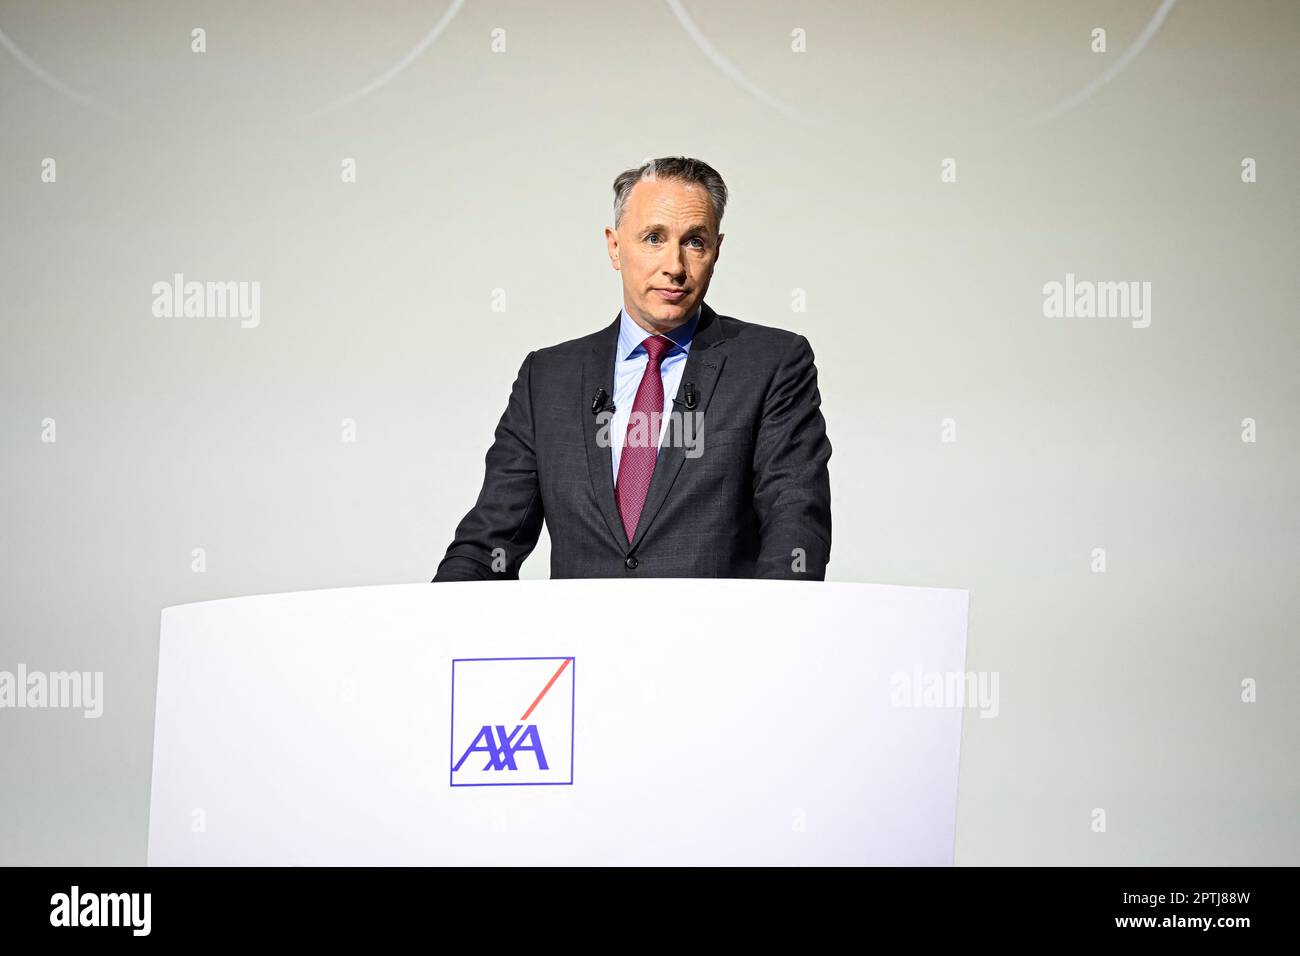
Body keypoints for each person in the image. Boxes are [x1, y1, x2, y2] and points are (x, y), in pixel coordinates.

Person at [433, 156, 831, 581]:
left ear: (716, 251)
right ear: (615, 246)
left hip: (716, 626)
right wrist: (430, 614)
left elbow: (795, 525)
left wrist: (773, 620)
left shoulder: (772, 363)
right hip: (584, 625)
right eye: (654, 238)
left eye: (695, 242)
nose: (675, 266)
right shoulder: (546, 378)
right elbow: (490, 541)